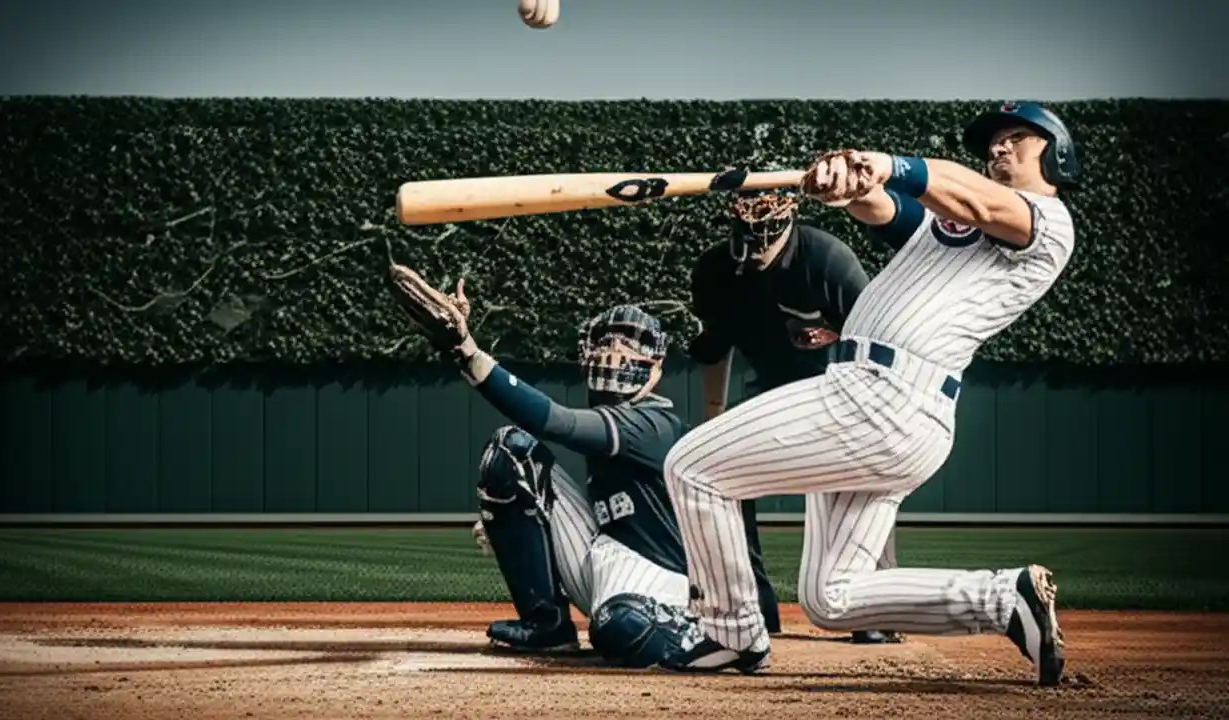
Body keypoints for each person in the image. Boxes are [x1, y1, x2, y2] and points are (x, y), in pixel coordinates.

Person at [658, 101, 1079, 686]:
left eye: (1017, 138)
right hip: (885, 404)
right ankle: (1005, 601)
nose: (999, 148)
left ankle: (730, 634)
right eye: (994, 142)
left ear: (1056, 154)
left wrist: (885, 162)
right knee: (831, 598)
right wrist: (851, 186)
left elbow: (974, 198)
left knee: (692, 465)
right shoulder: (952, 229)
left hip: (884, 396)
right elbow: (890, 210)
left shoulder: (1047, 223)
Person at [385, 264, 773, 668]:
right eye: (606, 344)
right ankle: (546, 627)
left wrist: (466, 350)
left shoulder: (651, 423)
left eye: (629, 347)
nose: (615, 354)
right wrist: (524, 525)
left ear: (656, 369)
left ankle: (710, 638)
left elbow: (555, 420)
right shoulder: (615, 416)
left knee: (618, 627)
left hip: (663, 582)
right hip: (606, 558)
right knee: (509, 451)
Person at [686, 183, 900, 645]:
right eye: (748, 230)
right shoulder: (714, 271)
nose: (757, 243)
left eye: (769, 230)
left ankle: (873, 612)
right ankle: (753, 611)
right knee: (719, 471)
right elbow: (713, 351)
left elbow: (873, 341)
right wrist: (714, 417)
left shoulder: (826, 258)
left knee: (859, 487)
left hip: (840, 392)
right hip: (771, 391)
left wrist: (871, 417)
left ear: (791, 220)